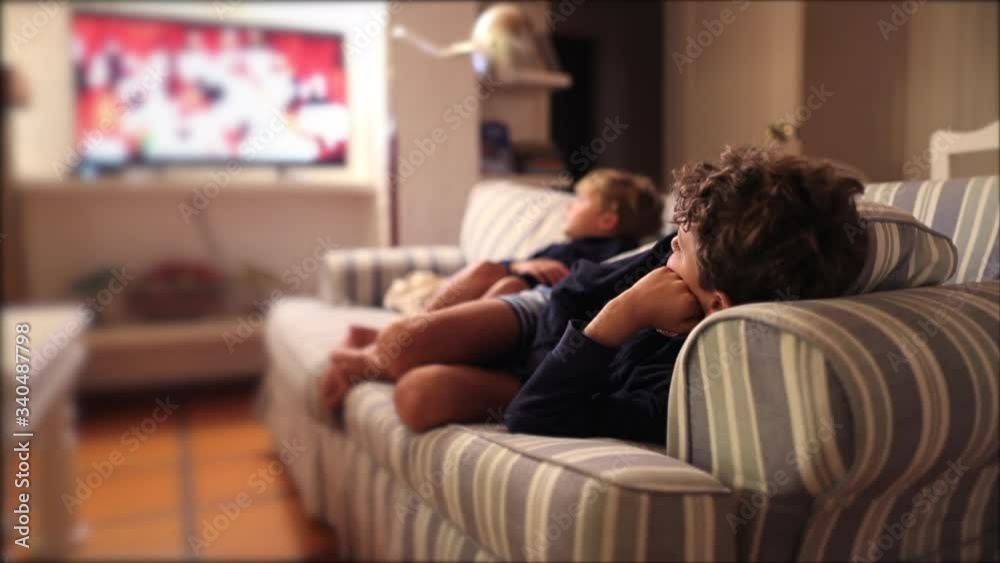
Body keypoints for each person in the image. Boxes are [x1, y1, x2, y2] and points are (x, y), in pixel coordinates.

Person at [320, 147, 869, 443]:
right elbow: (574, 290)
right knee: (402, 342)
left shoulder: (669, 391)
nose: (669, 246)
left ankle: (383, 358)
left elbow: (533, 413)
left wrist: (619, 319)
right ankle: (371, 355)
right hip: (539, 321)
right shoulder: (674, 257)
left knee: (418, 396)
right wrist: (585, 295)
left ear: (719, 304)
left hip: (539, 378)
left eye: (682, 248)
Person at [343, 168, 664, 347]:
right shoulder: (561, 246)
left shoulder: (611, 252)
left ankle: (413, 337)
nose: (569, 207)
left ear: (608, 220)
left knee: (503, 281)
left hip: (529, 309)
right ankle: (411, 331)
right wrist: (525, 264)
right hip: (507, 289)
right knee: (491, 271)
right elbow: (515, 266)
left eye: (579, 201)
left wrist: (523, 271)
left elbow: (589, 284)